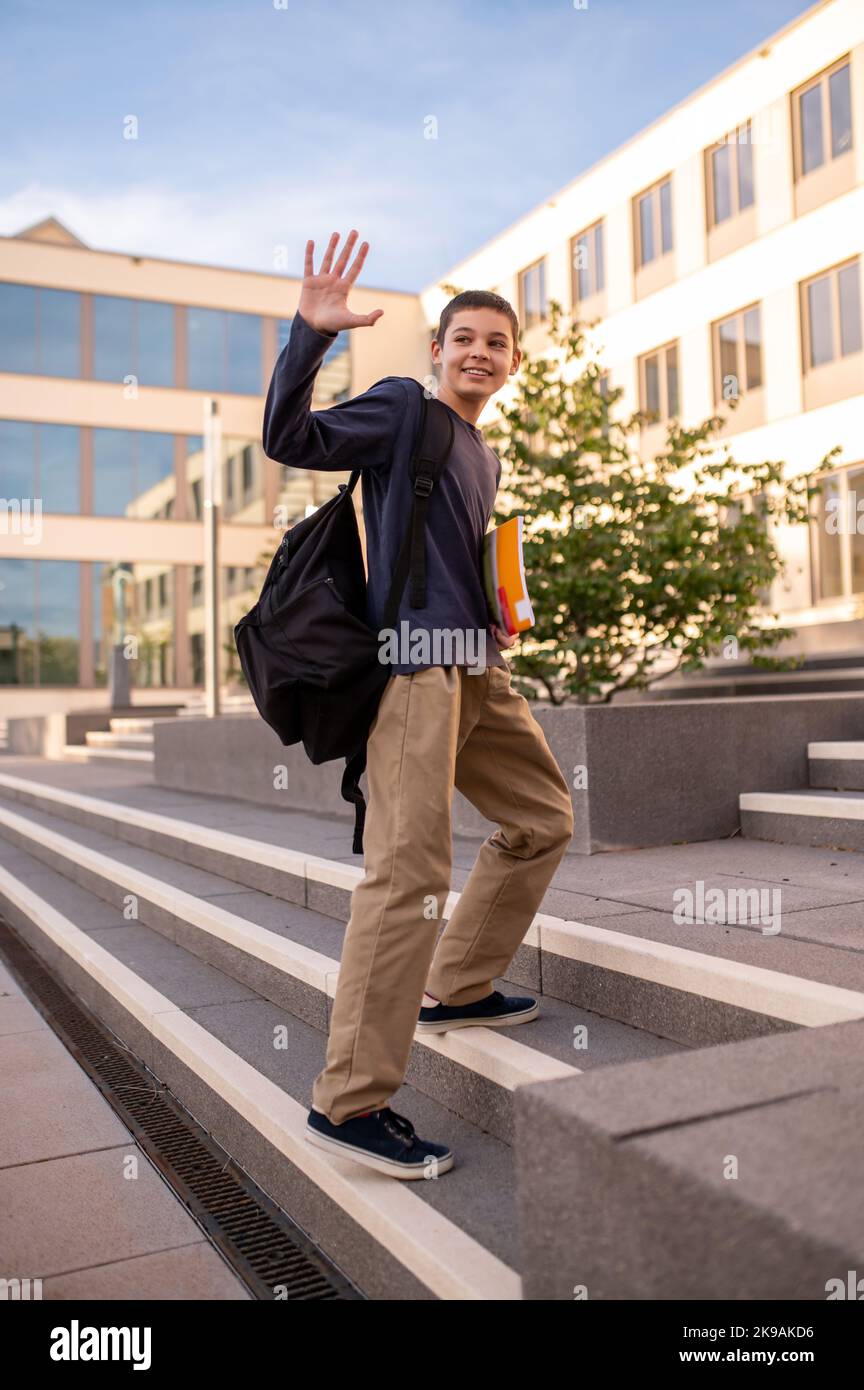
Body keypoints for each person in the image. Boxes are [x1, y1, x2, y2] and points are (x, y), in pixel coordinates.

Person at [262, 229, 574, 1179]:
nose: (481, 352)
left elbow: (455, 556)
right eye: (465, 338)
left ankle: (459, 983)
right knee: (408, 872)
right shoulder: (404, 409)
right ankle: (350, 1100)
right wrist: (309, 338)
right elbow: (293, 438)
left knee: (543, 818)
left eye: (498, 344)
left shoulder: (481, 451)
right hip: (416, 673)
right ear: (437, 350)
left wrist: (501, 603)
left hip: (480, 666)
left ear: (512, 364)